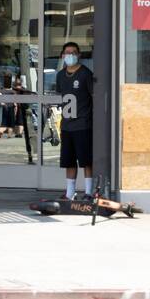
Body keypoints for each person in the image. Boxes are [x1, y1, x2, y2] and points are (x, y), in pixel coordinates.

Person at [54, 41, 94, 199]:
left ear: (79, 55)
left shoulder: (86, 74)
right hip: (67, 125)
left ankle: (89, 192)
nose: (69, 55)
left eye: (73, 52)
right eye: (66, 53)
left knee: (86, 160)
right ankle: (70, 193)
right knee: (69, 161)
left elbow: (93, 96)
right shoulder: (60, 75)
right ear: (63, 56)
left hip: (83, 124)